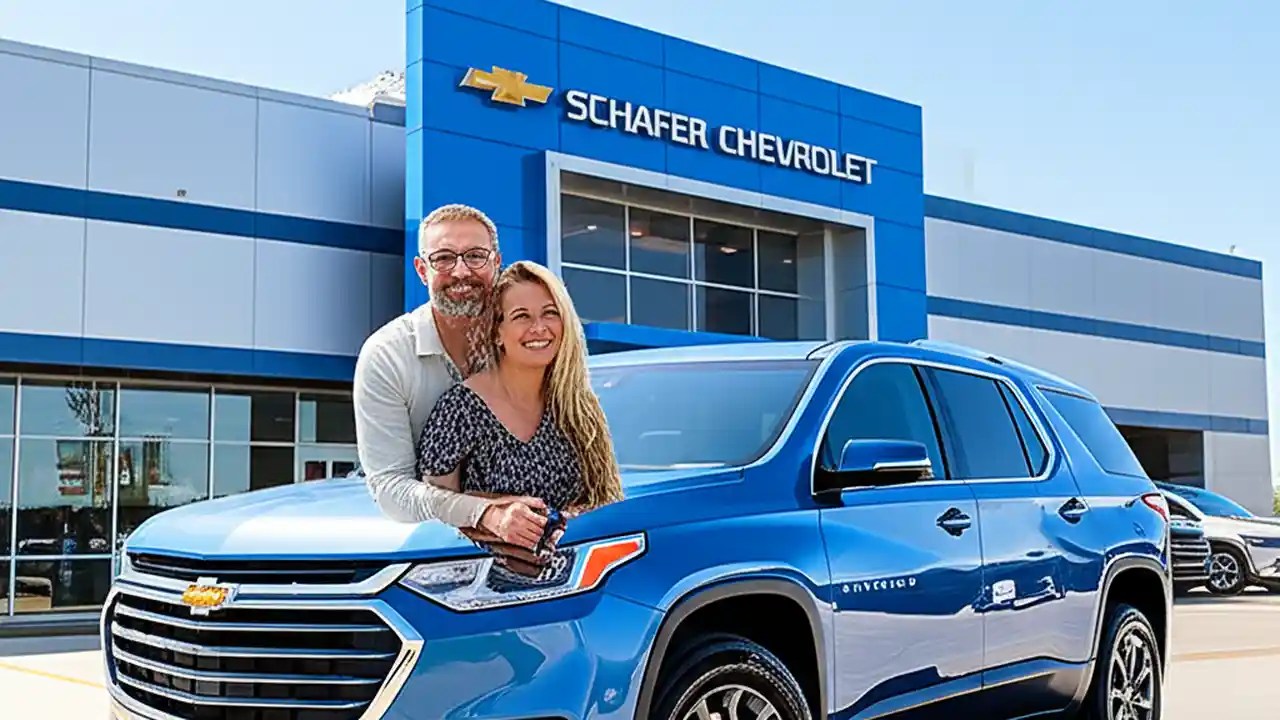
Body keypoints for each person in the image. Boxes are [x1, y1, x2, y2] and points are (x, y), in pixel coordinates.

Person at [354, 203, 551, 550]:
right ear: (422, 270)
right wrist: (484, 513)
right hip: (429, 553)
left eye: (475, 256)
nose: (461, 272)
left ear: (496, 262)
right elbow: (390, 489)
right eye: (443, 258)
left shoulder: (534, 341)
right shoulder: (387, 355)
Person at [415, 260, 624, 558]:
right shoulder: (459, 408)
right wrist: (495, 513)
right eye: (521, 316)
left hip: (571, 571)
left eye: (550, 313)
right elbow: (433, 512)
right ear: (497, 332)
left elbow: (606, 502)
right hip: (479, 576)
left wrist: (576, 518)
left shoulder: (579, 406)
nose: (539, 328)